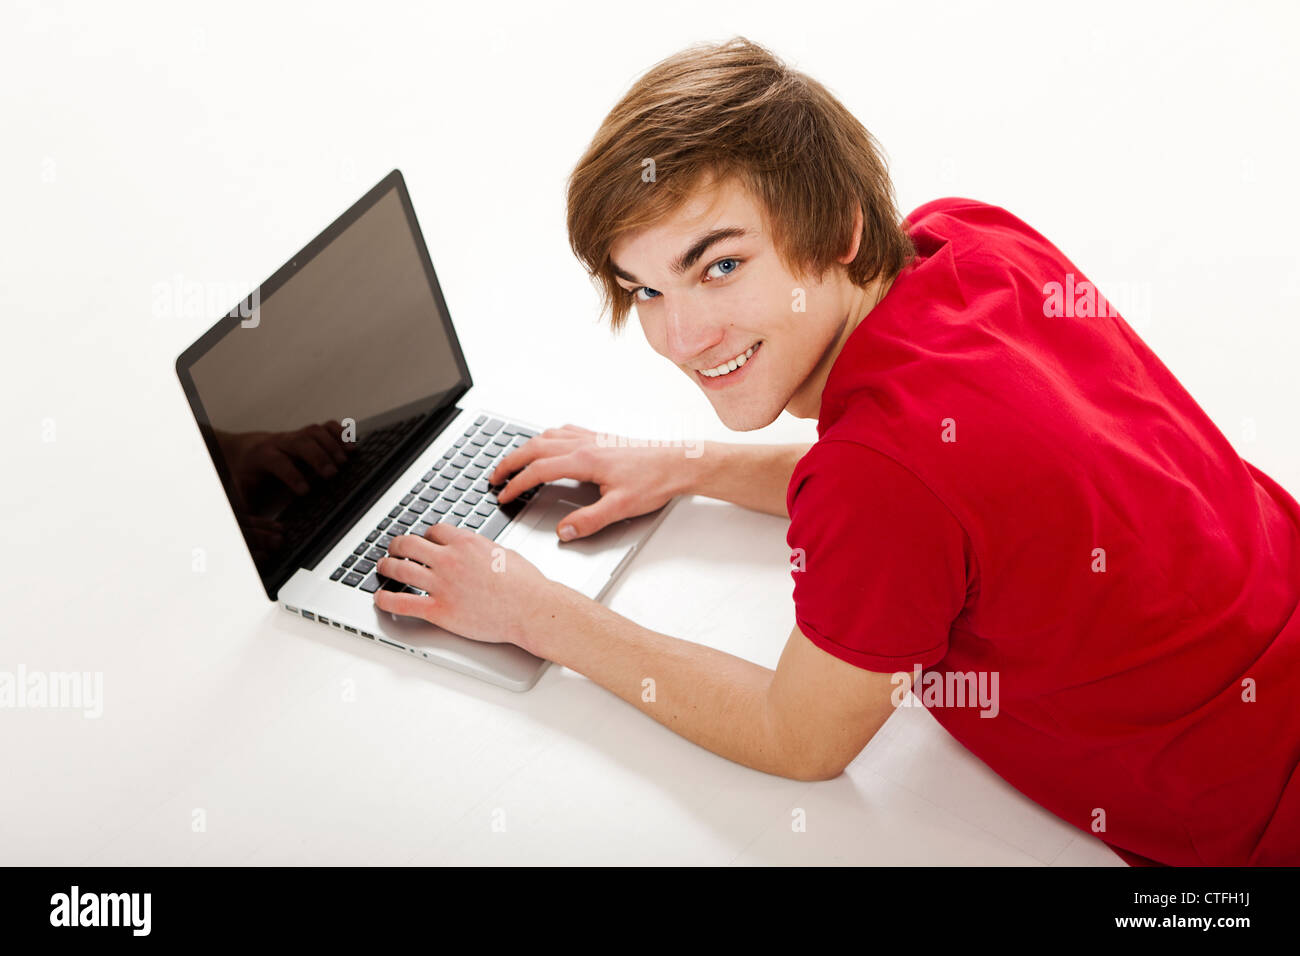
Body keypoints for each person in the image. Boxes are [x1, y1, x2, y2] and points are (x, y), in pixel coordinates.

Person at [370, 37, 1300, 866]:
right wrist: (685, 464)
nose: (681, 336)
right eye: (644, 290)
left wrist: (533, 610)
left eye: (720, 264)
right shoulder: (968, 240)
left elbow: (799, 737)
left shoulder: (882, 481)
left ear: (843, 229)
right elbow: (951, 490)